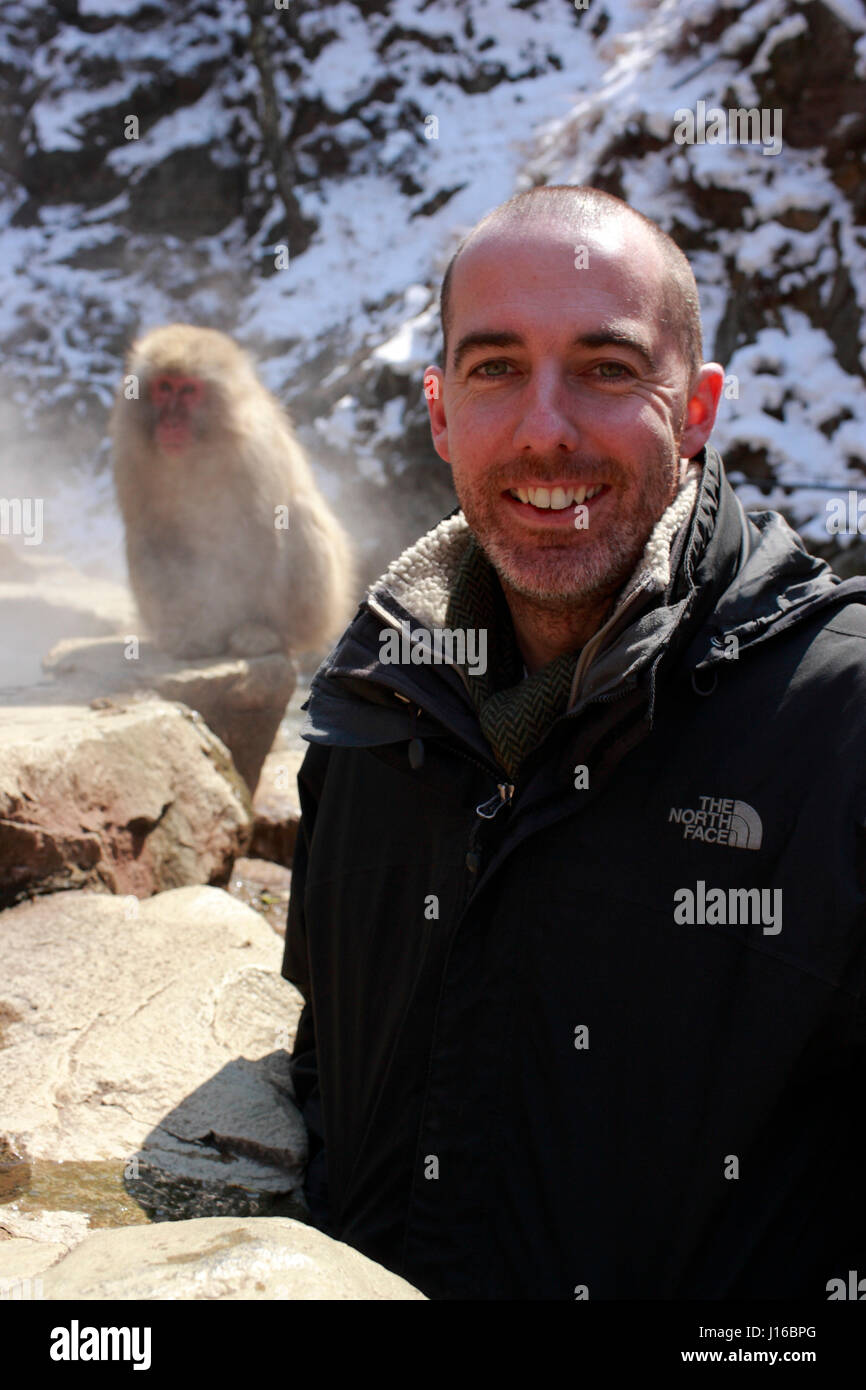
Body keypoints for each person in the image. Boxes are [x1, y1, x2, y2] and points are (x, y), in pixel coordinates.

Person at [281, 185, 866, 1300]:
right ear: (440, 408)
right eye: (495, 368)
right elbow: (327, 1067)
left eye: (604, 369)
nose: (544, 429)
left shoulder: (834, 727)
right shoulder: (371, 709)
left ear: (694, 409)